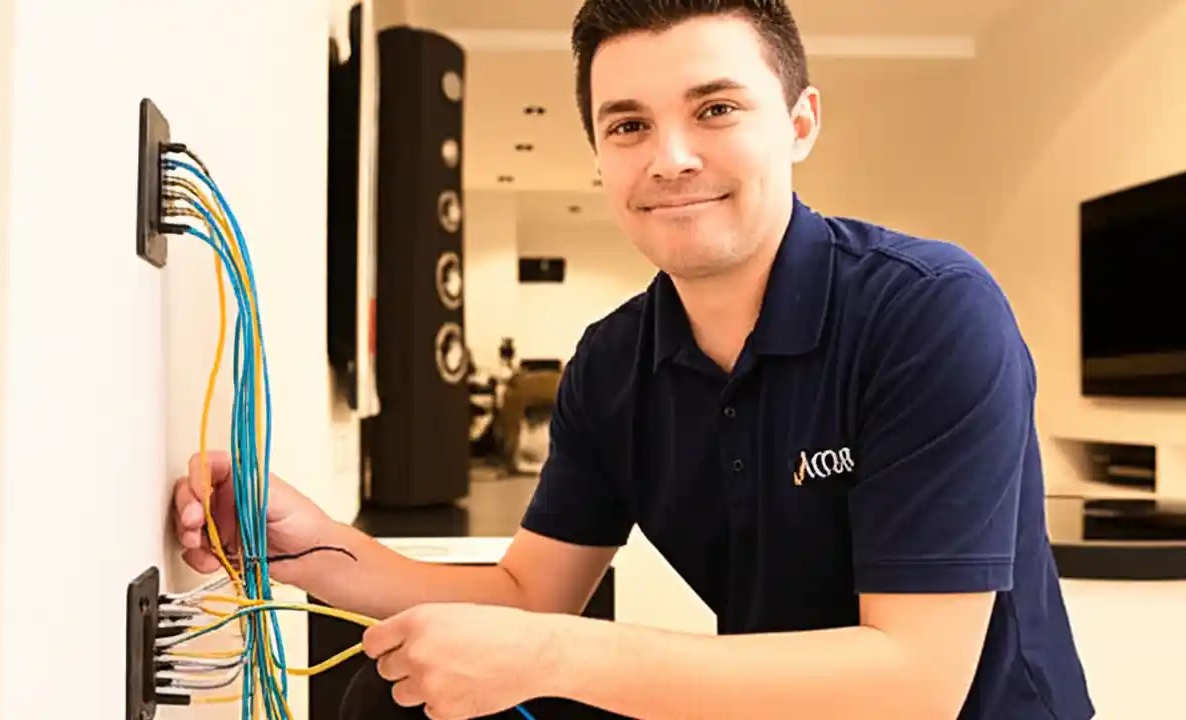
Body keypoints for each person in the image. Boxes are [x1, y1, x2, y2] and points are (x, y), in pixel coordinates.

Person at [173, 1, 1096, 718]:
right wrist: (319, 549)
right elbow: (530, 593)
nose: (673, 157)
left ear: (801, 121)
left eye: (717, 108)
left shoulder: (928, 309)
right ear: (600, 155)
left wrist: (553, 658)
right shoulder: (614, 365)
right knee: (396, 692)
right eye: (628, 126)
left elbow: (910, 686)